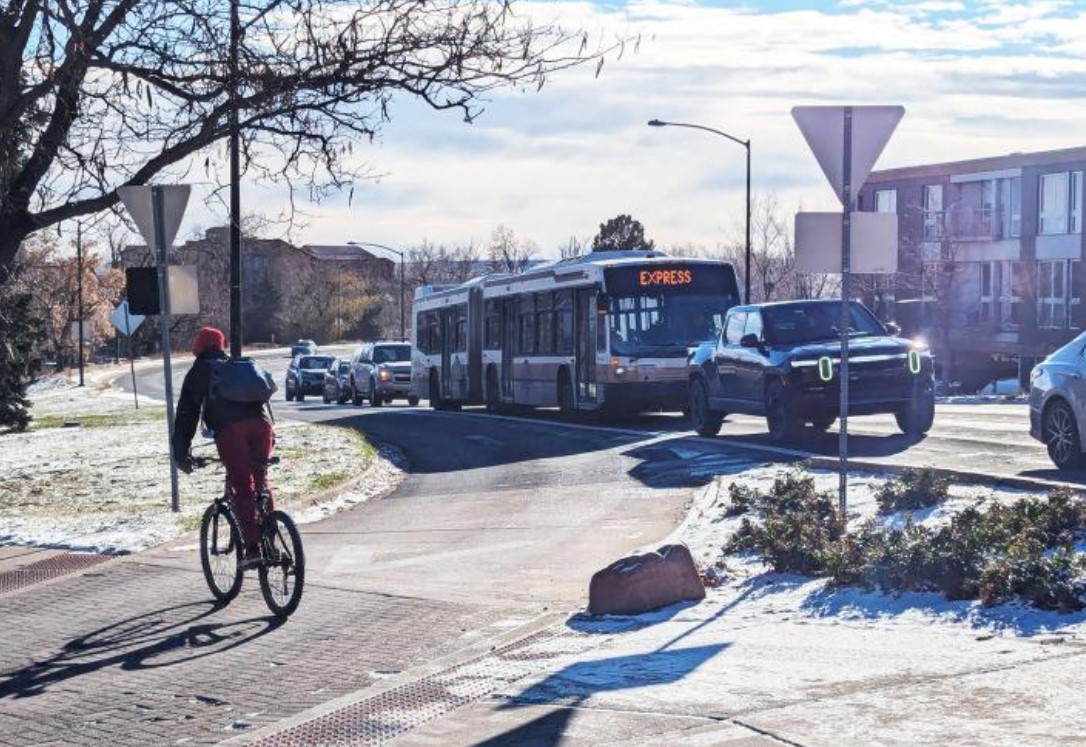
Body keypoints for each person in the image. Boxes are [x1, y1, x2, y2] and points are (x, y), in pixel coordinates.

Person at [172, 326, 276, 568]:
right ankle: (270, 532)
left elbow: (187, 414)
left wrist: (181, 453)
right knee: (260, 480)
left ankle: (253, 550)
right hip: (263, 427)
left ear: (199, 346)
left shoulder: (200, 371)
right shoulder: (236, 365)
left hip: (232, 430)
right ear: (220, 345)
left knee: (241, 485)